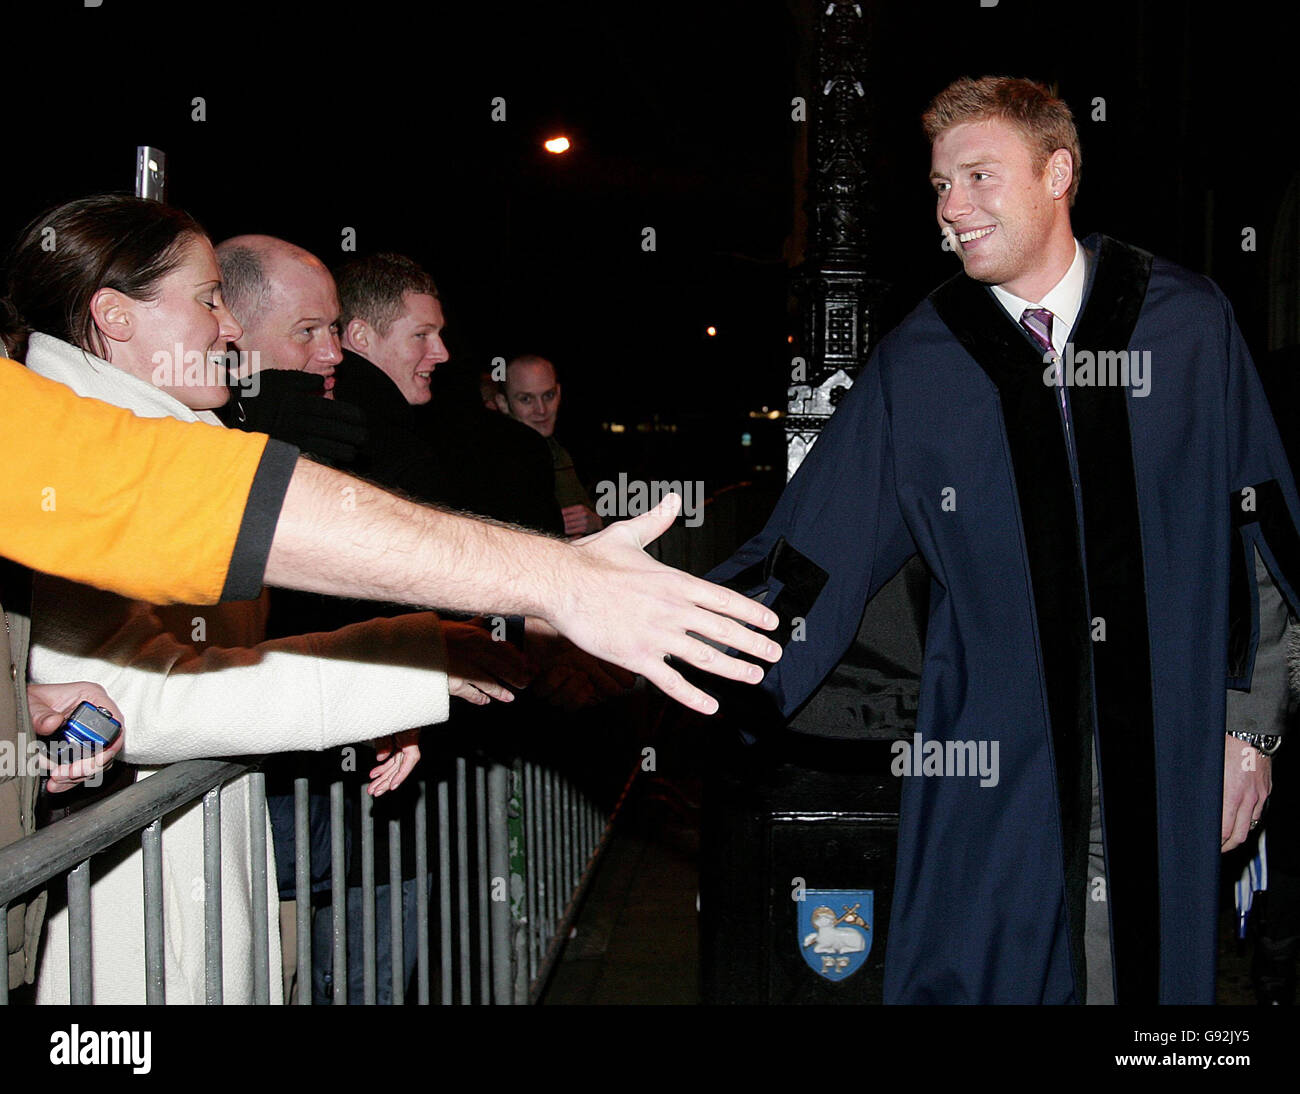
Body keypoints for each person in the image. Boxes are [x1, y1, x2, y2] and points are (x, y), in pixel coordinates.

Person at [706, 75, 1298, 1004]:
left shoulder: (1186, 325)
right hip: (998, 770)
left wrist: (1248, 732)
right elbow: (814, 549)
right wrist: (664, 628)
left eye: (979, 177)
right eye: (941, 185)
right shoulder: (924, 358)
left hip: (1169, 753)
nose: (952, 209)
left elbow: (1256, 541)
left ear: (1058, 171)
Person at [5, 195, 521, 1002]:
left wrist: (400, 657)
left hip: (182, 896)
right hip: (129, 935)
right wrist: (400, 668)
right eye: (208, 298)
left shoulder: (161, 437)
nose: (231, 326)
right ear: (115, 316)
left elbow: (208, 663)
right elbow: (134, 698)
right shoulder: (77, 466)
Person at [496, 354, 602, 538]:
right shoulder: (497, 462)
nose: (541, 409)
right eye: (526, 399)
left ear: (559, 393)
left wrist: (595, 522)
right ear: (503, 403)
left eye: (548, 395)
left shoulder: (558, 451)